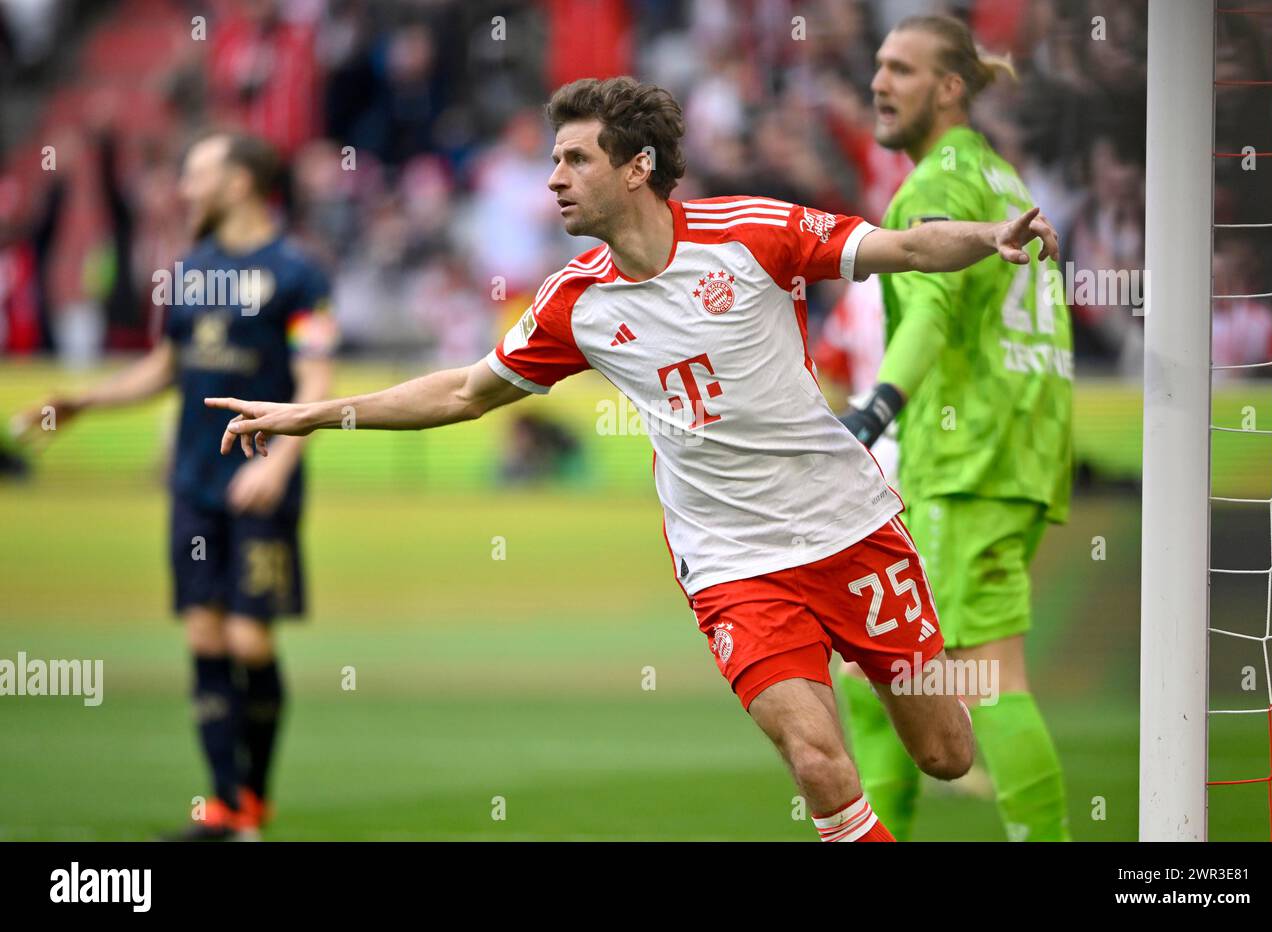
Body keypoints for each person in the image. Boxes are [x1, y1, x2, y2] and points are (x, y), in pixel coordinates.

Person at [204, 76, 1059, 842]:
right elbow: (465, 392)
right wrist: (311, 414)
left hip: (850, 526)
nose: (554, 179)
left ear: (638, 166)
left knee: (946, 754)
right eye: (553, 160)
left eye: (575, 159)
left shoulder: (752, 234)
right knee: (816, 762)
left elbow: (901, 249)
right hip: (733, 563)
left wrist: (991, 237)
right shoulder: (574, 302)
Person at [15, 131, 337, 840]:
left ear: (242, 182)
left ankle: (252, 800)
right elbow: (167, 367)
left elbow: (316, 374)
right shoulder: (190, 271)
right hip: (194, 482)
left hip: (259, 478)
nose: (185, 188)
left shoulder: (298, 273)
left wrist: (280, 461)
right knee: (203, 632)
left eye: (197, 174)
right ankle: (227, 809)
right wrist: (83, 401)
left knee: (251, 640)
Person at [836, 16, 1074, 841]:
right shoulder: (1002, 179)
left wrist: (875, 409)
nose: (879, 82)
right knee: (883, 670)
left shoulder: (937, 183)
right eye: (877, 66)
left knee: (982, 676)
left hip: (969, 452)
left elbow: (932, 308)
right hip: (1015, 447)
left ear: (947, 88)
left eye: (900, 69)